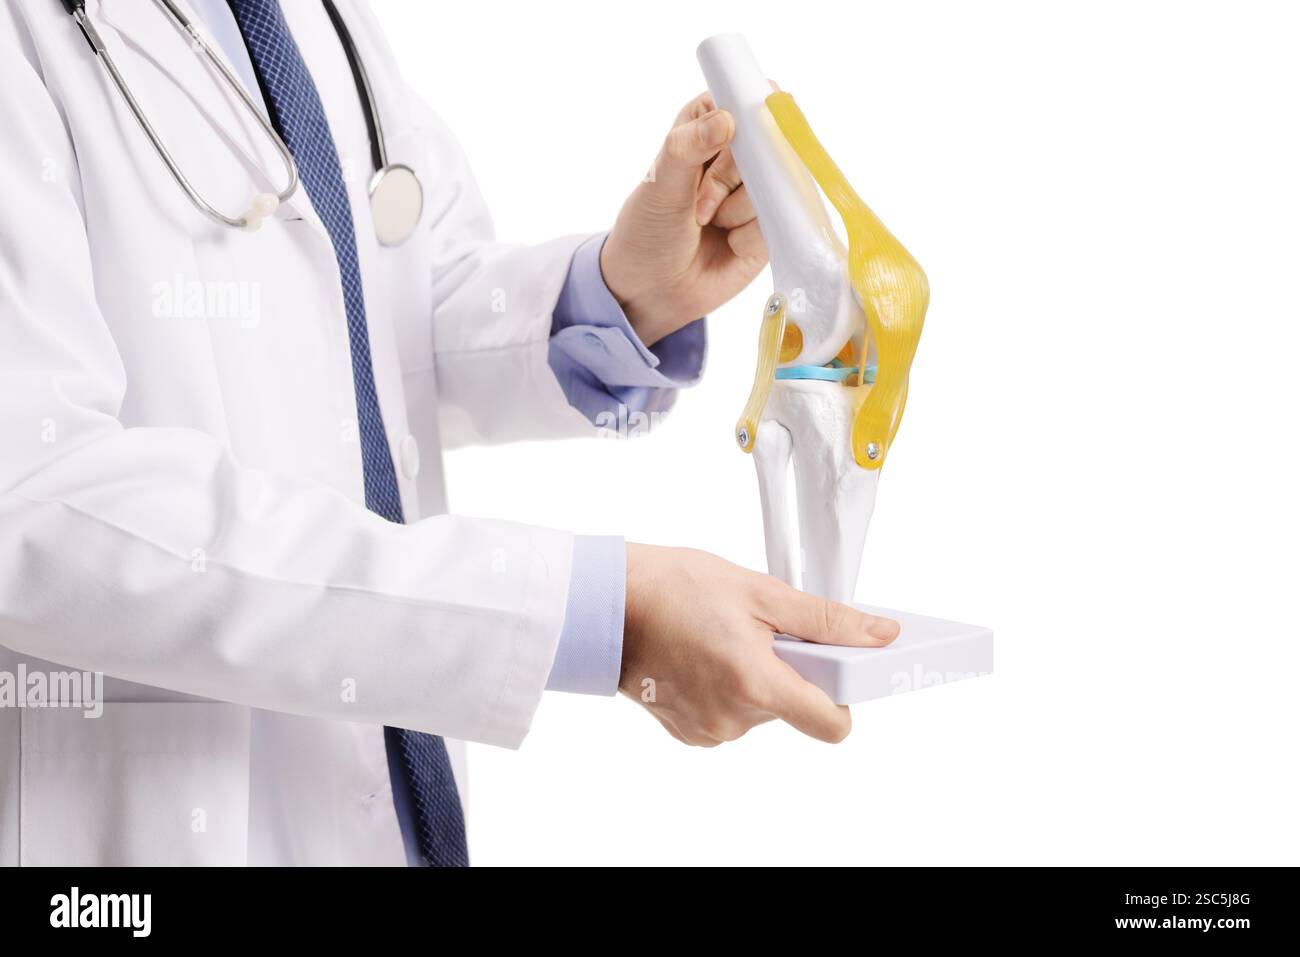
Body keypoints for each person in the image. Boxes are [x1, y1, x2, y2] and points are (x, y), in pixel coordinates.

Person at [0, 0, 898, 866]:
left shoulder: (314, 20)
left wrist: (624, 294)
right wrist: (598, 612)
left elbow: (378, 309)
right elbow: (37, 497)